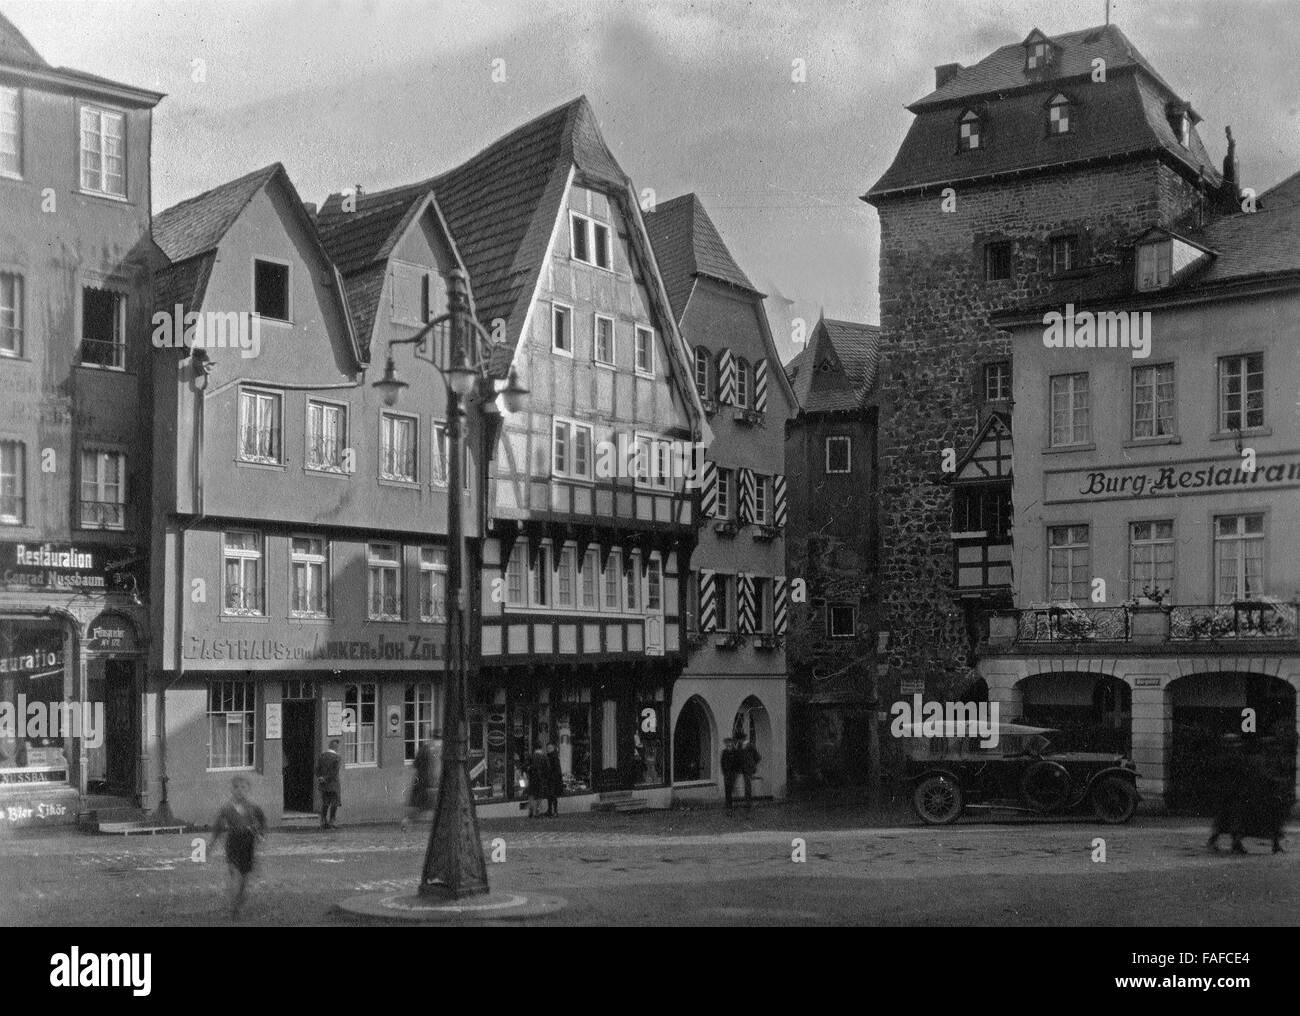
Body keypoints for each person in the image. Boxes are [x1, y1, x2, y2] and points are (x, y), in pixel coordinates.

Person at [209, 775, 267, 918]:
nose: (239, 790)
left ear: (248, 790)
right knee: (234, 873)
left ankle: (238, 904)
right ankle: (234, 904)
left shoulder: (253, 807)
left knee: (245, 878)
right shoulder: (226, 808)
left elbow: (262, 822)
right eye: (236, 787)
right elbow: (217, 827)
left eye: (243, 787)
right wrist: (210, 845)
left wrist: (260, 834)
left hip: (248, 842)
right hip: (233, 841)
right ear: (231, 790)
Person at [402, 729, 442, 833]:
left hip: (425, 784)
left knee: (421, 807)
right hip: (437, 784)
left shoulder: (425, 748)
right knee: (434, 807)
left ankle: (406, 822)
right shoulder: (443, 749)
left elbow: (416, 765)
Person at [316, 738, 342, 829]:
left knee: (325, 802)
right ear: (336, 747)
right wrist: (326, 778)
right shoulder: (337, 758)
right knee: (334, 803)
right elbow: (334, 772)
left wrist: (320, 777)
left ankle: (323, 821)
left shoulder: (322, 755)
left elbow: (317, 769)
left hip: (324, 785)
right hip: (333, 784)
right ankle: (332, 821)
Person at [527, 743, 549, 818]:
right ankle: (537, 811)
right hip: (540, 779)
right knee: (539, 795)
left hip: (532, 778)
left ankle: (531, 810)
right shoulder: (544, 757)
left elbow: (526, 767)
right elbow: (547, 768)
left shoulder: (531, 756)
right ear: (541, 748)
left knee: (531, 794)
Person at [738, 733, 760, 810]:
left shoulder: (750, 746)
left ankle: (748, 802)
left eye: (740, 740)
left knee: (748, 785)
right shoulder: (741, 747)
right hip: (744, 768)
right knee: (747, 785)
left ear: (742, 739)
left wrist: (752, 764)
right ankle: (747, 801)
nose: (739, 741)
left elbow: (757, 757)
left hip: (748, 768)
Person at [719, 738, 739, 811]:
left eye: (730, 743)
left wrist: (736, 771)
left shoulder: (735, 752)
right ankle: (728, 804)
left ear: (732, 743)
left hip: (733, 773)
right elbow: (722, 762)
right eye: (727, 743)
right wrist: (724, 771)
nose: (728, 744)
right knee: (727, 789)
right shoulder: (724, 752)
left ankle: (730, 804)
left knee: (730, 788)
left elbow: (738, 762)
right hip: (727, 773)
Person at [545, 742, 563, 817]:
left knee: (552, 794)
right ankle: (550, 810)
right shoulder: (549, 756)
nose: (548, 749)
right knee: (550, 795)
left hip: (553, 779)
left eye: (550, 748)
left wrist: (554, 776)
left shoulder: (554, 757)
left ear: (553, 748)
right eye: (548, 748)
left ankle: (554, 811)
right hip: (550, 779)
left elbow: (556, 769)